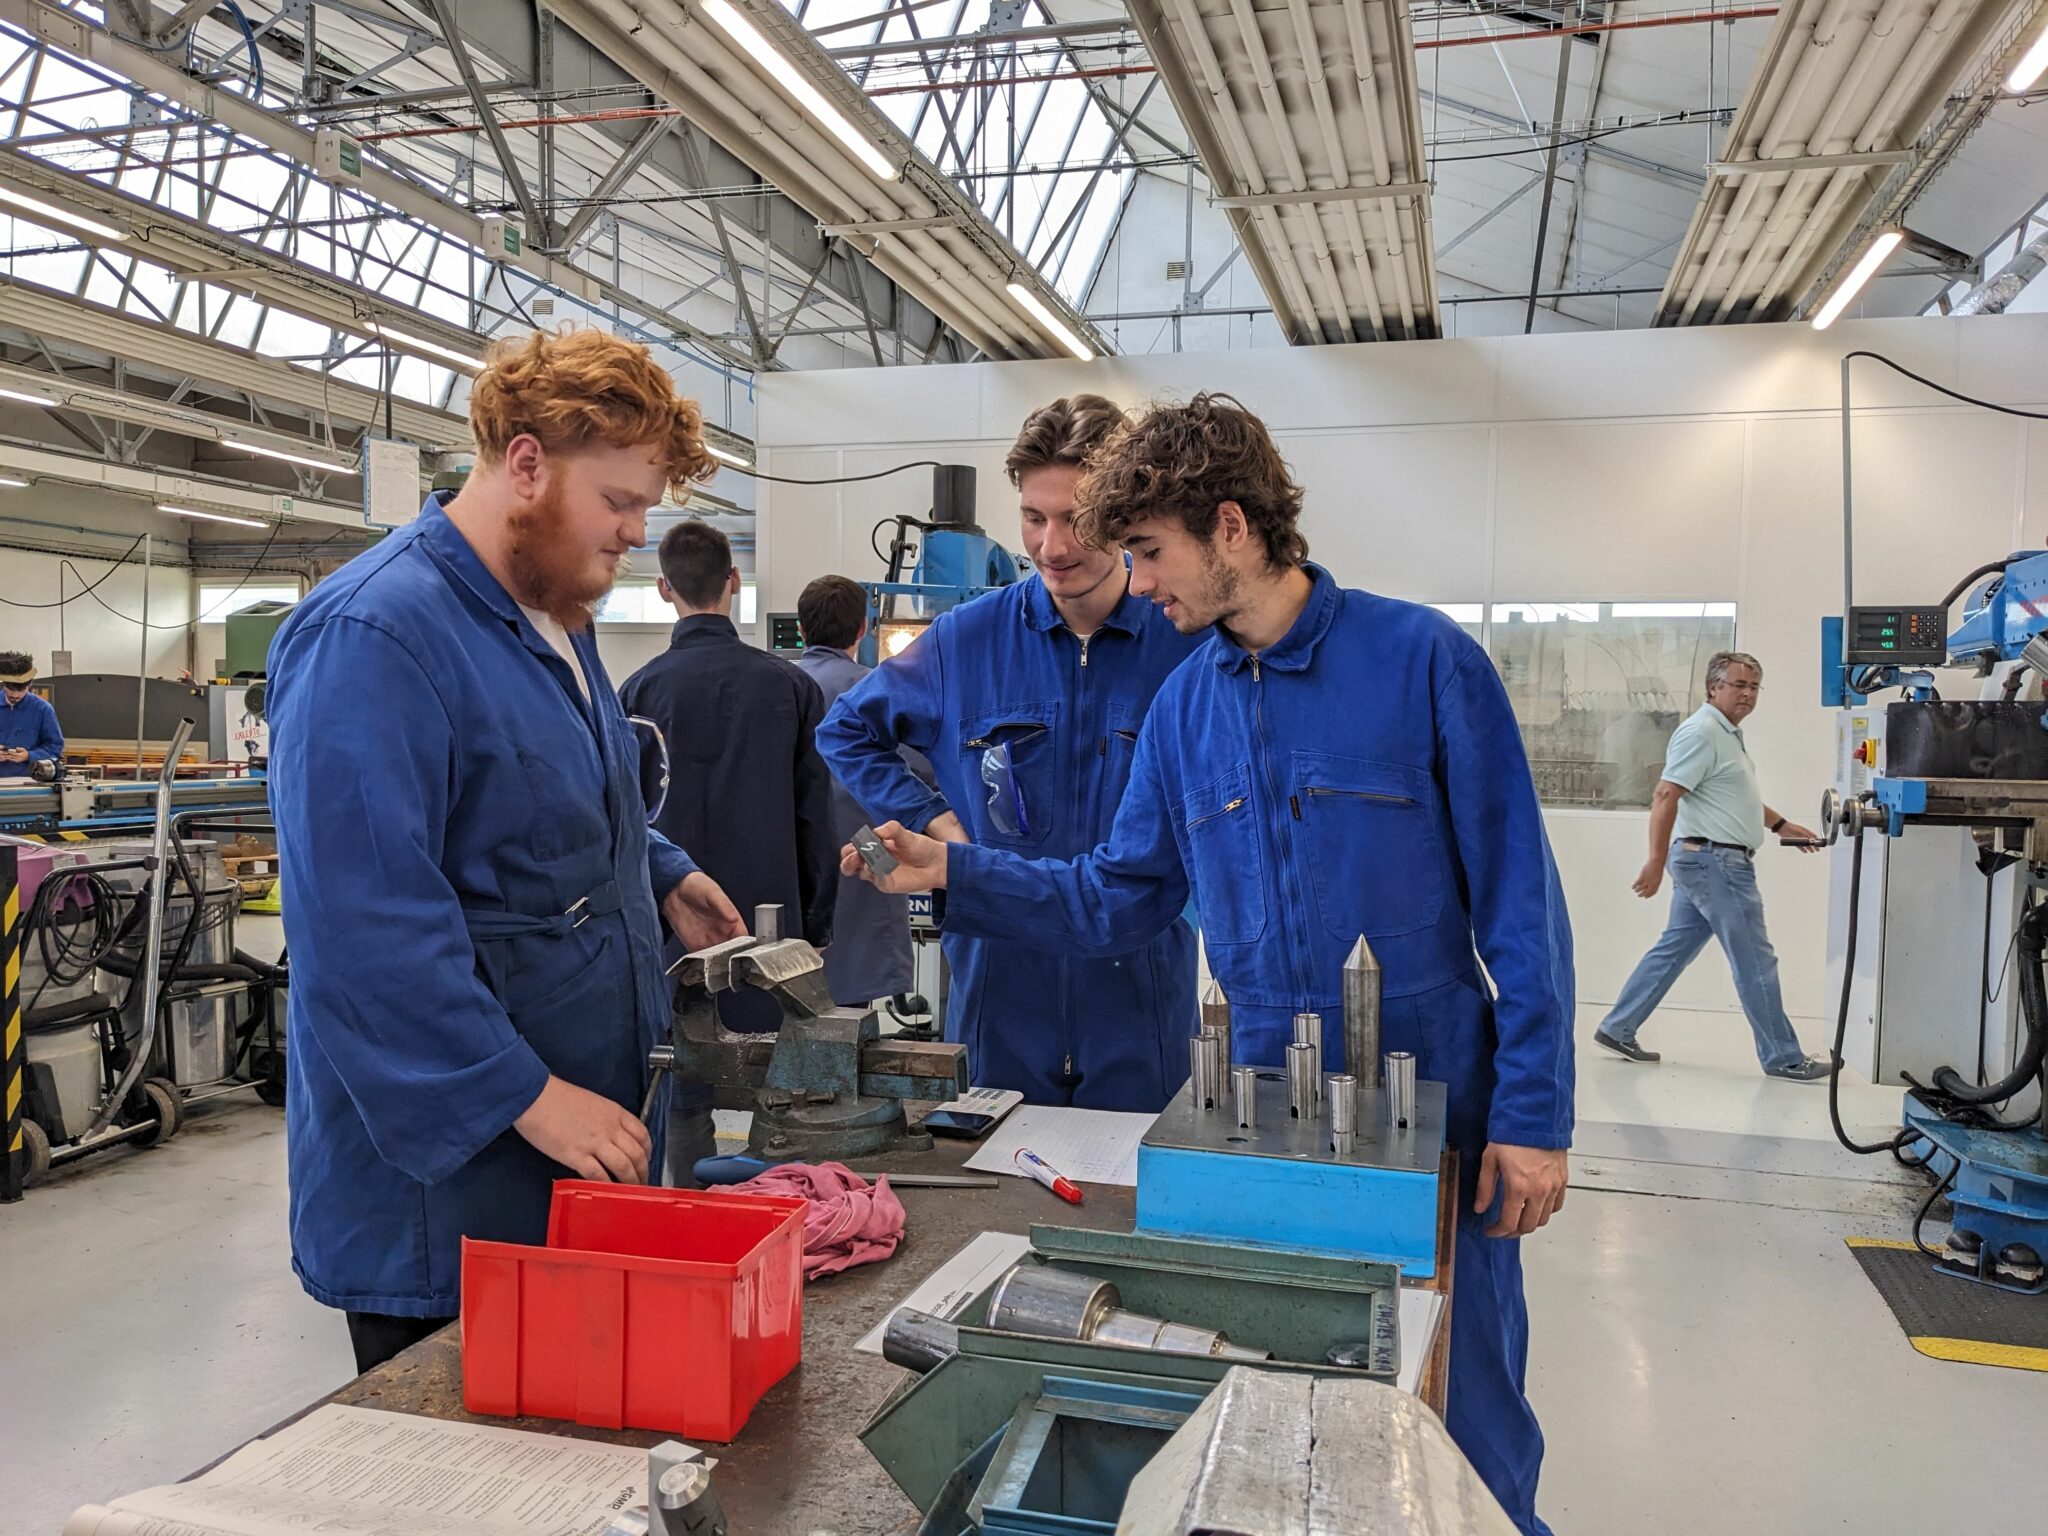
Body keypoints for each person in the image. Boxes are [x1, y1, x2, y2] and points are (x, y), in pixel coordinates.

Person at [844, 394, 1573, 1535]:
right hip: (1258, 1112)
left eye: (1146, 552)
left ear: (1229, 526)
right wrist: (951, 877)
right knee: (1279, 1396)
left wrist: (1534, 1115)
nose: (1134, 585)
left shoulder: (1423, 662)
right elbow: (1113, 896)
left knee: (1461, 1406)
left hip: (1440, 1108)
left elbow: (1520, 908)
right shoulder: (1187, 704)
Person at [268, 330, 747, 1376]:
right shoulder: (375, 637)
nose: (633, 534)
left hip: (563, 1166)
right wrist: (523, 1094)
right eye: (618, 502)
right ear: (526, 463)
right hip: (451, 1192)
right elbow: (364, 929)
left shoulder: (555, 615)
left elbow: (554, 797)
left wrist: (660, 870)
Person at [817, 395, 1206, 1111]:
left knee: (1133, 1193)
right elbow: (845, 730)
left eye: (1078, 518)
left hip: (1142, 990)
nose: (1053, 547)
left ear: (1124, 511)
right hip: (998, 990)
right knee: (993, 1193)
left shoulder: (1184, 645)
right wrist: (939, 827)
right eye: (1035, 517)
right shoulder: (967, 640)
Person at [619, 517, 837, 1032]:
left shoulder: (635, 694)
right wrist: (818, 924)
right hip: (771, 933)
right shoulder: (790, 687)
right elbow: (815, 817)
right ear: (733, 579)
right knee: (778, 1093)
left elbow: (624, 823)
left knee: (680, 1083)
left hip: (671, 934)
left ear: (663, 587)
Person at [1595, 651, 1829, 1079]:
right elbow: (1666, 794)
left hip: (1706, 859)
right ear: (1713, 688)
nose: (1747, 694)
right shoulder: (1702, 732)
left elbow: (1729, 796)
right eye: (1738, 685)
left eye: (1754, 687)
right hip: (1715, 862)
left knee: (1674, 949)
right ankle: (1784, 1057)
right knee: (1755, 959)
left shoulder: (1726, 734)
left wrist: (1780, 825)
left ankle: (1618, 1026)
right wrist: (1655, 859)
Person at [791, 574, 923, 1011]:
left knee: (793, 984)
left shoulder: (778, 684)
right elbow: (920, 774)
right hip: (864, 842)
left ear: (801, 628)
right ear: (863, 628)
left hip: (792, 851)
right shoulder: (878, 688)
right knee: (855, 990)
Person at [0, 651, 61, 779]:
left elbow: (54, 748)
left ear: (30, 684)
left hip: (28, 783)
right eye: (11, 690)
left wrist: (29, 756)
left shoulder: (43, 709)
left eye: (21, 690)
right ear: (3, 684)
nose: (15, 695)